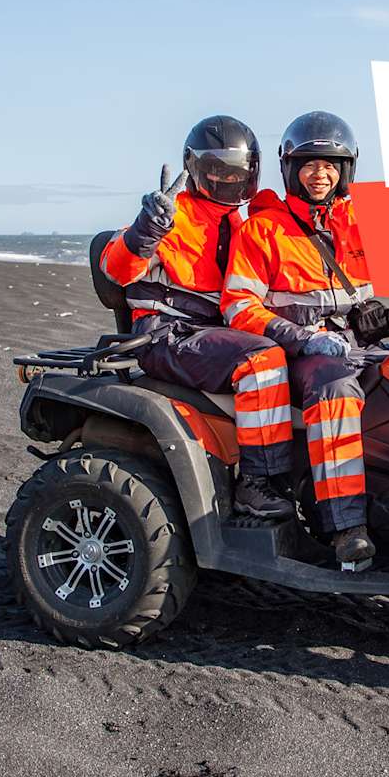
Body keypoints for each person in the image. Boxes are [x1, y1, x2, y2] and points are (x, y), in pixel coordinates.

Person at [100, 115, 297, 519]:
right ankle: (255, 485)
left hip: (217, 335)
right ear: (195, 168)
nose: (227, 179)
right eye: (216, 169)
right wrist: (146, 229)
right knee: (263, 363)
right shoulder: (171, 217)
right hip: (168, 334)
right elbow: (116, 269)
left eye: (237, 171)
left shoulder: (246, 220)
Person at [221, 111, 382, 564]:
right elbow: (238, 305)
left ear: (345, 170)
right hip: (302, 353)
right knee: (334, 389)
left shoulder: (359, 221)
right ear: (291, 170)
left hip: (356, 343)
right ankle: (346, 527)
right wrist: (301, 339)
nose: (320, 175)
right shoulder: (263, 229)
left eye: (331, 165)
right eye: (310, 164)